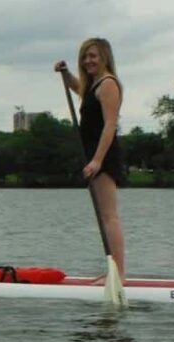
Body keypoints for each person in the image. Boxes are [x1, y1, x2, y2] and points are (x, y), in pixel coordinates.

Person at [54, 38, 126, 281]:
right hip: (95, 157)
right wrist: (66, 75)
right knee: (105, 216)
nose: (88, 61)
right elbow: (80, 90)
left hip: (103, 157)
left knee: (109, 216)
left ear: (105, 57)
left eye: (93, 56)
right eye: (84, 57)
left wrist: (97, 160)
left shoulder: (108, 84)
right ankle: (113, 272)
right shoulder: (95, 84)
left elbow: (110, 125)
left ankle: (119, 275)